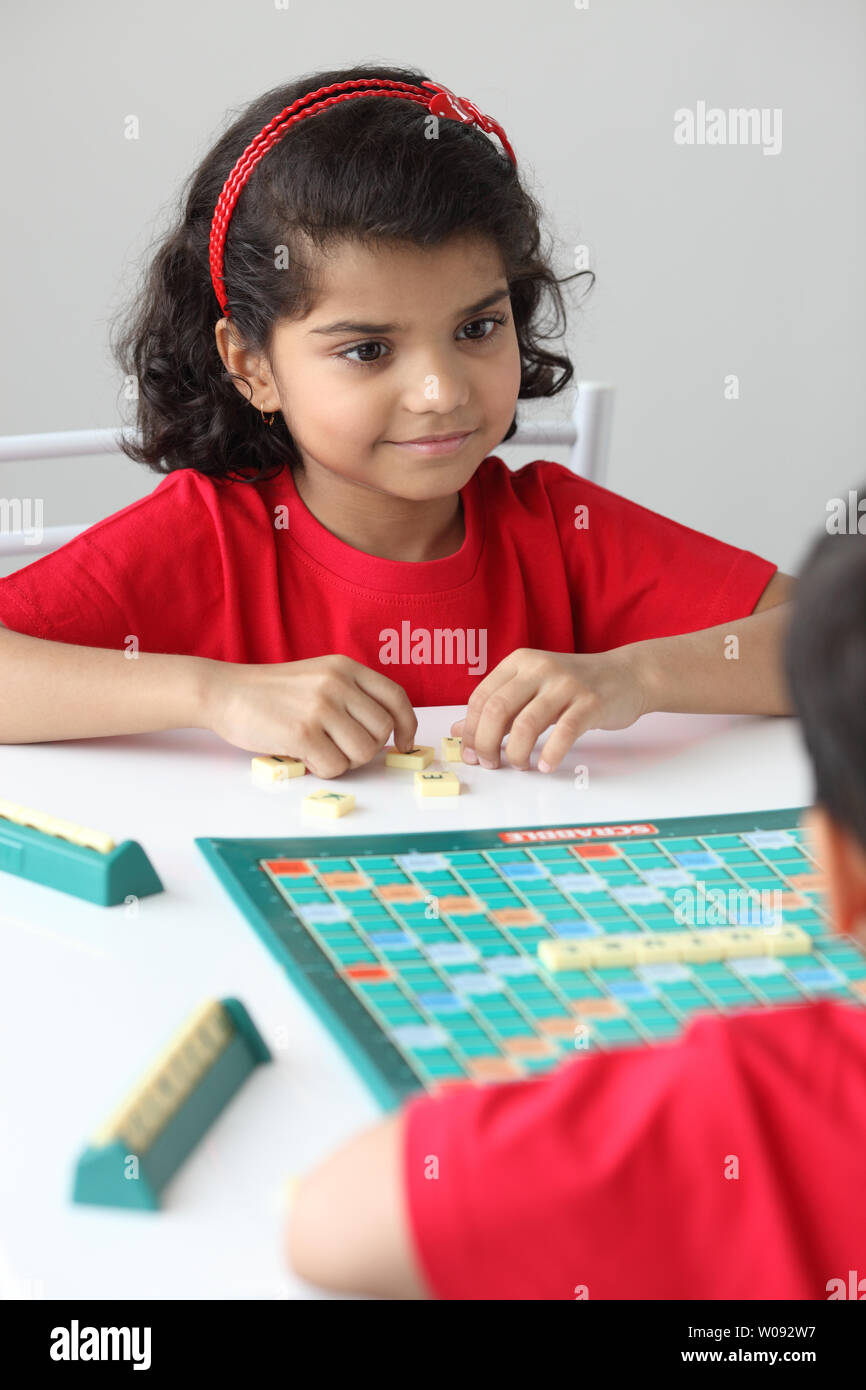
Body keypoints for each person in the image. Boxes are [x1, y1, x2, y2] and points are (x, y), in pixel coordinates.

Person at [0, 63, 793, 774]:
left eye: (477, 329)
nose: (441, 391)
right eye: (370, 349)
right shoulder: (205, 539)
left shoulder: (562, 528)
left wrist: (637, 676)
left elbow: (838, 635)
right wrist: (213, 694)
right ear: (252, 365)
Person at [286, 502, 866, 1299]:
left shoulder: (767, 1104)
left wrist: (642, 672)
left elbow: (330, 1224)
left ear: (837, 873)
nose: (436, 391)